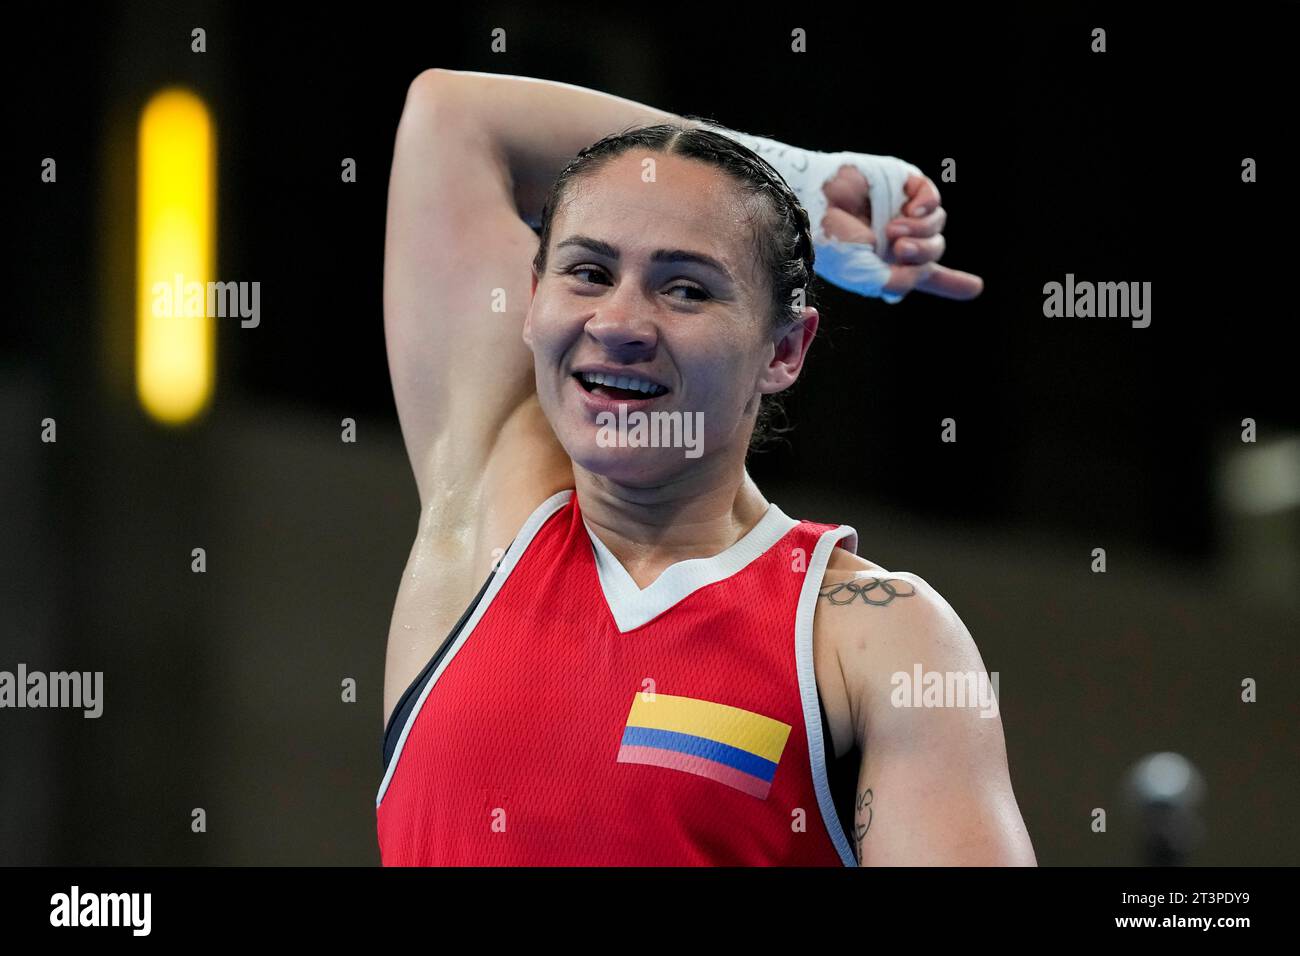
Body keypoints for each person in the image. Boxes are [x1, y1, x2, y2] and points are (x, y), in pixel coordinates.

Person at [375, 68, 1036, 865]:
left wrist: (767, 207)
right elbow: (452, 112)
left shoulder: (874, 637)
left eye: (685, 290)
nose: (618, 322)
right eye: (588, 272)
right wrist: (801, 181)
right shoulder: (480, 509)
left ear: (786, 349)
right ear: (531, 297)